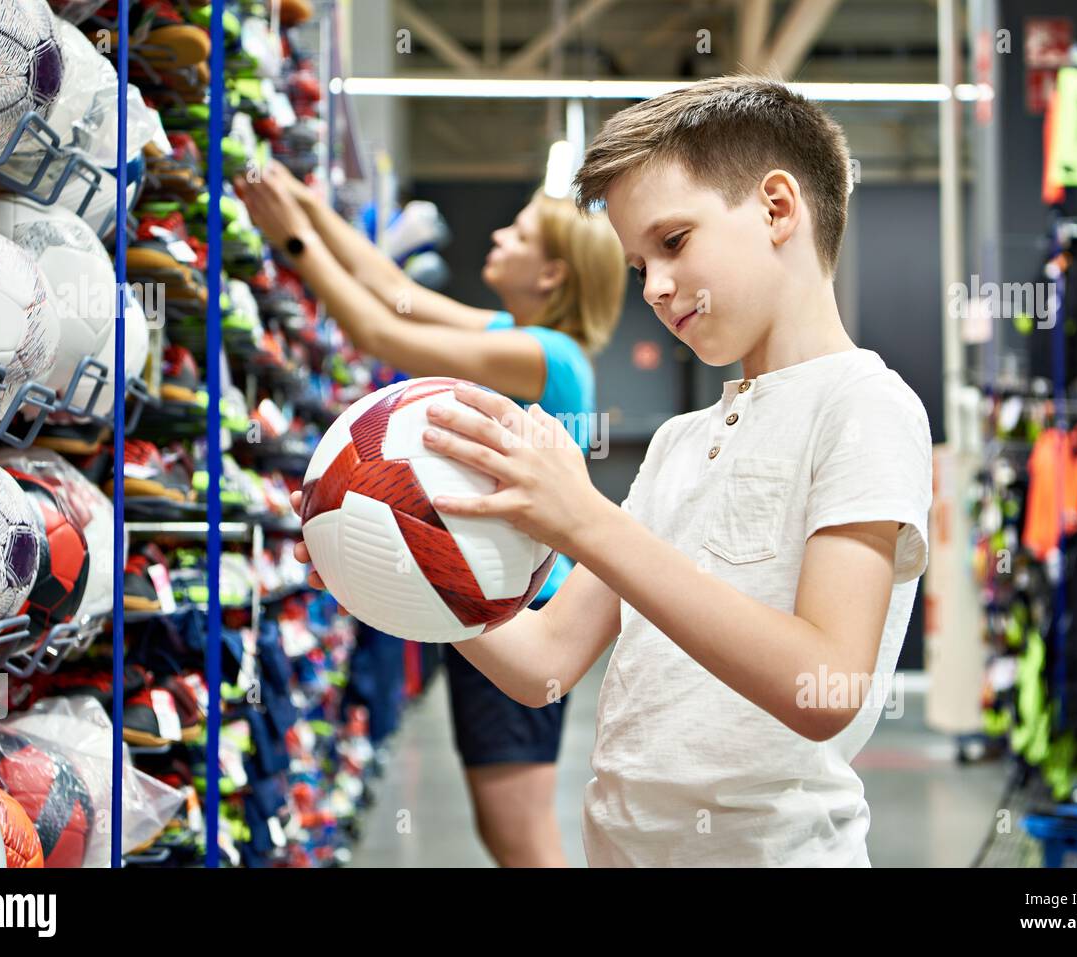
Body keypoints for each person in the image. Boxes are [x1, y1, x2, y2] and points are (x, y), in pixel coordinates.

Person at [304, 74, 933, 866]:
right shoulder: (675, 443)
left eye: (673, 243)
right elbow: (544, 666)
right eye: (639, 265)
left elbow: (829, 689)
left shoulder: (864, 405)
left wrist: (585, 518)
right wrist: (395, 551)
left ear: (778, 209)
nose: (657, 287)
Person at [235, 162, 625, 867]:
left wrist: (293, 242)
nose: (501, 234)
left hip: (519, 603)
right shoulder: (523, 334)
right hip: (497, 589)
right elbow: (398, 293)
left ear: (553, 276)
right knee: (507, 825)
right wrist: (304, 206)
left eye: (522, 233)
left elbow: (384, 334)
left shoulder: (546, 355)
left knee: (520, 834)